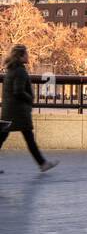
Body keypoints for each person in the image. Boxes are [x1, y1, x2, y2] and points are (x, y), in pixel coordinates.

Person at [1, 45, 58, 173]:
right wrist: (30, 98)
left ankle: (42, 163)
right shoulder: (20, 71)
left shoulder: (11, 69)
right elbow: (18, 91)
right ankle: (43, 164)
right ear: (21, 56)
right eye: (26, 54)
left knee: (3, 137)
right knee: (28, 137)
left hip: (9, 110)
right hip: (18, 112)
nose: (28, 56)